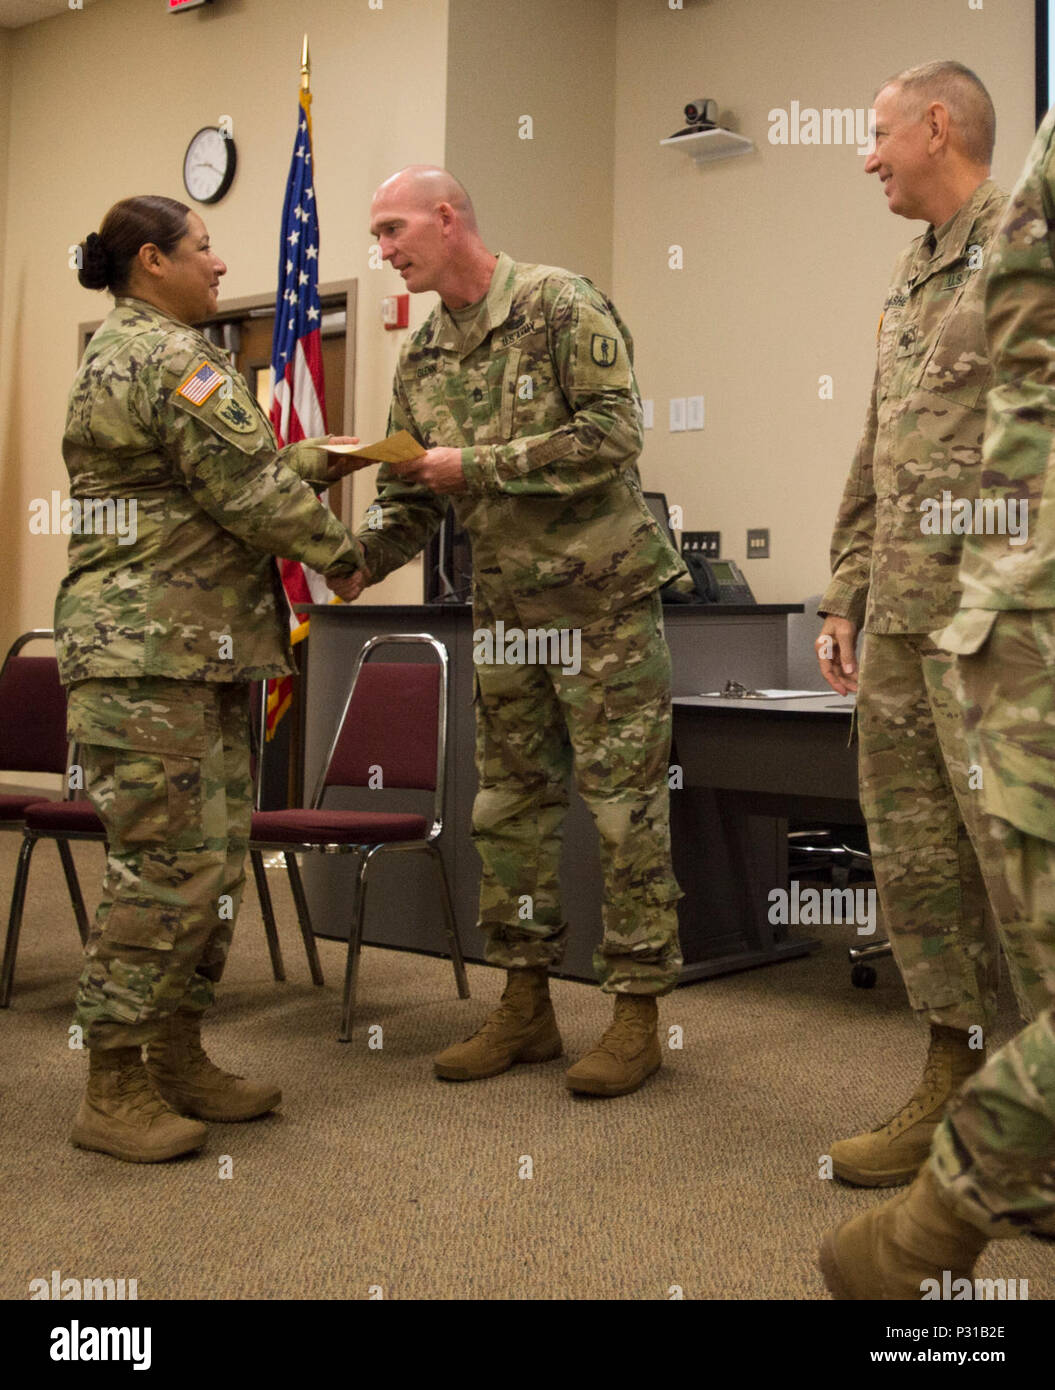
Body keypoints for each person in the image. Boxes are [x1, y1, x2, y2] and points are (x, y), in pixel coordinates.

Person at [347, 165, 688, 1097]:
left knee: (624, 813)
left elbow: (616, 433)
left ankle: (635, 1013)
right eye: (375, 236)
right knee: (509, 811)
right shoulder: (421, 357)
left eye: (391, 228)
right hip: (505, 614)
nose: (382, 250)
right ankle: (526, 1003)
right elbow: (409, 490)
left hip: (604, 605)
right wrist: (354, 560)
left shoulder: (558, 303)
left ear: (447, 216)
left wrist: (481, 465)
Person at [58, 195, 367, 1163]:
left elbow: (233, 471)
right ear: (151, 260)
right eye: (204, 249)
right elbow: (246, 489)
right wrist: (341, 553)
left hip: (192, 655)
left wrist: (334, 455)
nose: (220, 265)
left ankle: (178, 1054)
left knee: (212, 864)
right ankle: (112, 1082)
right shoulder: (164, 356)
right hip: (152, 658)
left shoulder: (132, 352)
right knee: (165, 868)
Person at [819, 102, 1055, 1296]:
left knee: (1022, 883)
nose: (863, 157)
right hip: (908, 626)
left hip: (1004, 628)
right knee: (916, 864)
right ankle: (949, 1077)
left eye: (874, 134)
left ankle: (1020, 1130)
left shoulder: (1023, 233)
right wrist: (840, 588)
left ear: (933, 124)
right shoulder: (909, 280)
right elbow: (876, 443)